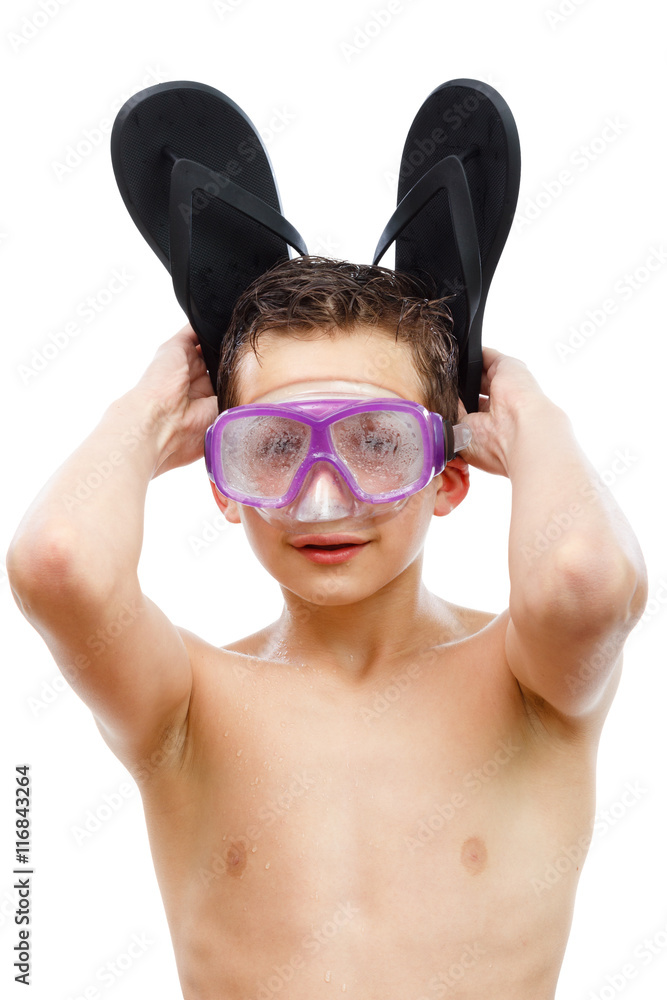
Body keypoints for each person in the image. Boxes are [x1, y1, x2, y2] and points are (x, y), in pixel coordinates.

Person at [6, 256, 647, 999]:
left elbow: (585, 578)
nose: (319, 499)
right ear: (222, 485)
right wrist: (144, 414)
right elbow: (57, 563)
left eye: (377, 442)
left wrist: (533, 417)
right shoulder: (182, 707)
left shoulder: (528, 684)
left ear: (447, 472)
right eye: (273, 446)